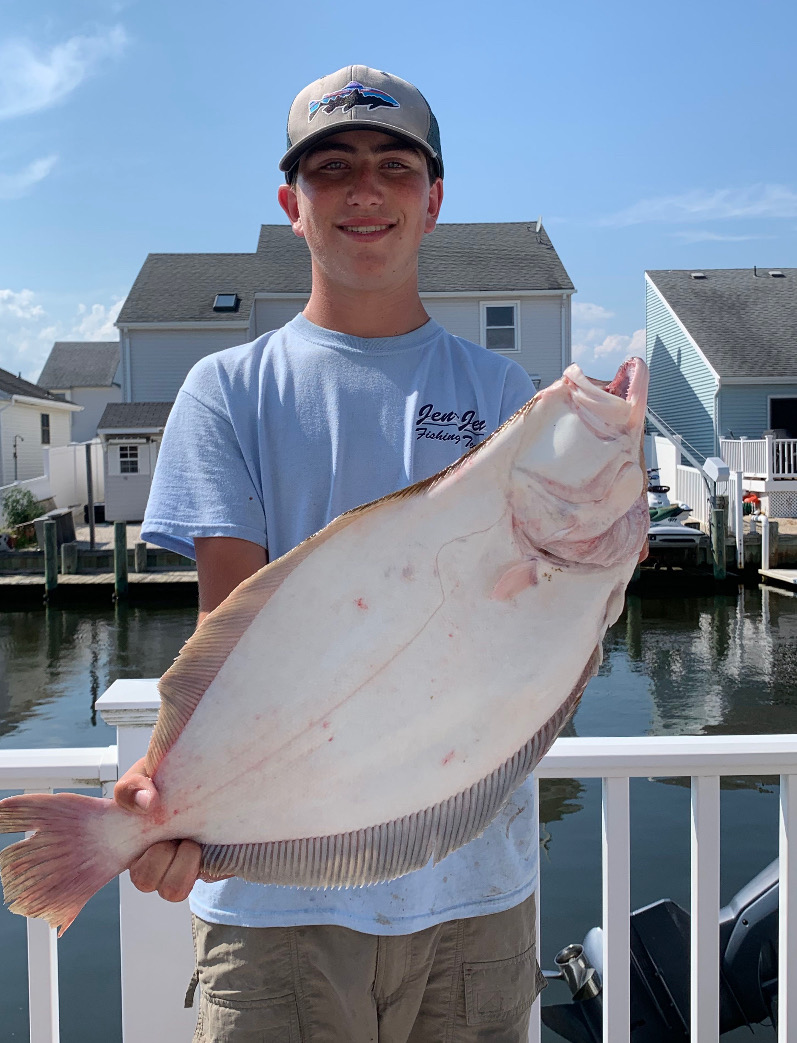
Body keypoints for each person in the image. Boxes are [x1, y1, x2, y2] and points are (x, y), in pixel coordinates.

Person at [115, 65, 546, 1041]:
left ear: (432, 201)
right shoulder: (226, 389)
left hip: (476, 890)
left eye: (394, 167)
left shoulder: (501, 393)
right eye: (332, 167)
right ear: (291, 203)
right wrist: (170, 794)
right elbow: (233, 640)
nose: (364, 190)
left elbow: (528, 634)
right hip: (277, 901)